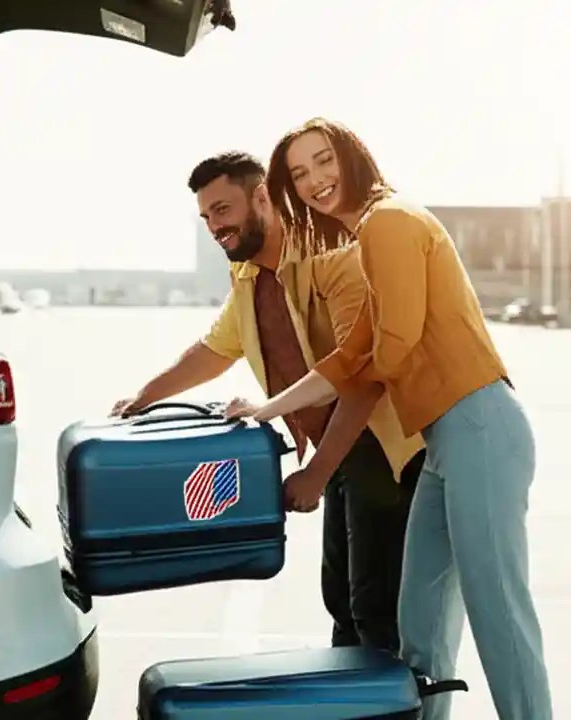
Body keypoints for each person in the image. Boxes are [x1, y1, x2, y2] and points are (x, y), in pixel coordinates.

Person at [223, 119, 553, 720]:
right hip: (445, 443)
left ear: (352, 157)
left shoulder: (389, 221)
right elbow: (351, 357)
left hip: (480, 425)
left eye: (324, 161)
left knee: (497, 609)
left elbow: (389, 349)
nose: (316, 180)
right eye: (299, 174)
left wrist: (326, 447)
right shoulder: (368, 236)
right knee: (420, 622)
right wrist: (268, 408)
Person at [110, 150, 425, 654]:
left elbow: (365, 378)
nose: (216, 226)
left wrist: (316, 475)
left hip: (383, 450)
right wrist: (144, 399)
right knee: (343, 604)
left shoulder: (333, 256)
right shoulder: (250, 277)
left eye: (223, 209)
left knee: (376, 610)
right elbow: (215, 350)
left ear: (261, 197)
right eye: (208, 216)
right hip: (338, 449)